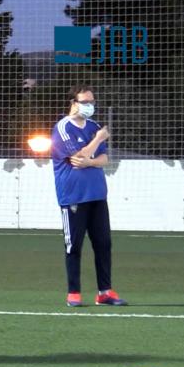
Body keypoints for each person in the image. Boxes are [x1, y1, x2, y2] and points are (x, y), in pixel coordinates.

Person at [50, 84, 126, 307]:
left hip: (97, 195)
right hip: (73, 196)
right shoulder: (63, 128)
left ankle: (105, 292)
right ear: (73, 103)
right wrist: (99, 139)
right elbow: (77, 158)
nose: (90, 106)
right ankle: (73, 293)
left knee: (103, 243)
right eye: (85, 102)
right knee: (73, 245)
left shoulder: (92, 125)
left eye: (92, 102)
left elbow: (102, 160)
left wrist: (90, 161)